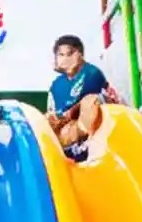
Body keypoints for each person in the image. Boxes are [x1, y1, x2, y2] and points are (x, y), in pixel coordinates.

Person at [46, 34, 119, 162]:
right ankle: (62, 150)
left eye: (69, 54)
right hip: (66, 126)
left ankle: (86, 145)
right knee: (46, 121)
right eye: (60, 55)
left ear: (80, 55)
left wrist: (66, 115)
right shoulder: (56, 84)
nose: (65, 59)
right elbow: (53, 111)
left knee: (91, 101)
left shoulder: (91, 73)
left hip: (94, 125)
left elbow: (89, 101)